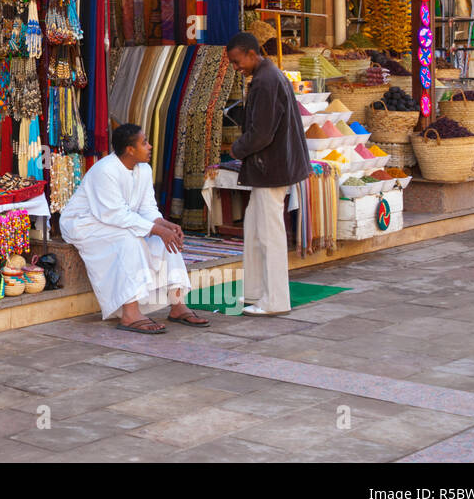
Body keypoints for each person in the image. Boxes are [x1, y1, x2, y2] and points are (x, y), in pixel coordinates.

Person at [60, 123, 208, 334]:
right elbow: (114, 214)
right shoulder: (105, 170)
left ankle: (178, 305)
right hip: (84, 223)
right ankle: (130, 313)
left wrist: (166, 226)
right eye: (144, 142)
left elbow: (147, 208)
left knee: (167, 239)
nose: (149, 146)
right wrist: (157, 229)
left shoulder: (144, 170)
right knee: (128, 239)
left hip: (117, 220)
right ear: (130, 149)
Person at [225, 31, 312, 316]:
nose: (237, 68)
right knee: (255, 228)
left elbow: (261, 134)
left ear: (251, 54)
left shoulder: (265, 81)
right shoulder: (269, 76)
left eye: (237, 62)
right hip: (272, 165)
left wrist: (236, 149)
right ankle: (256, 292)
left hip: (270, 166)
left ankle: (274, 300)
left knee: (269, 233)